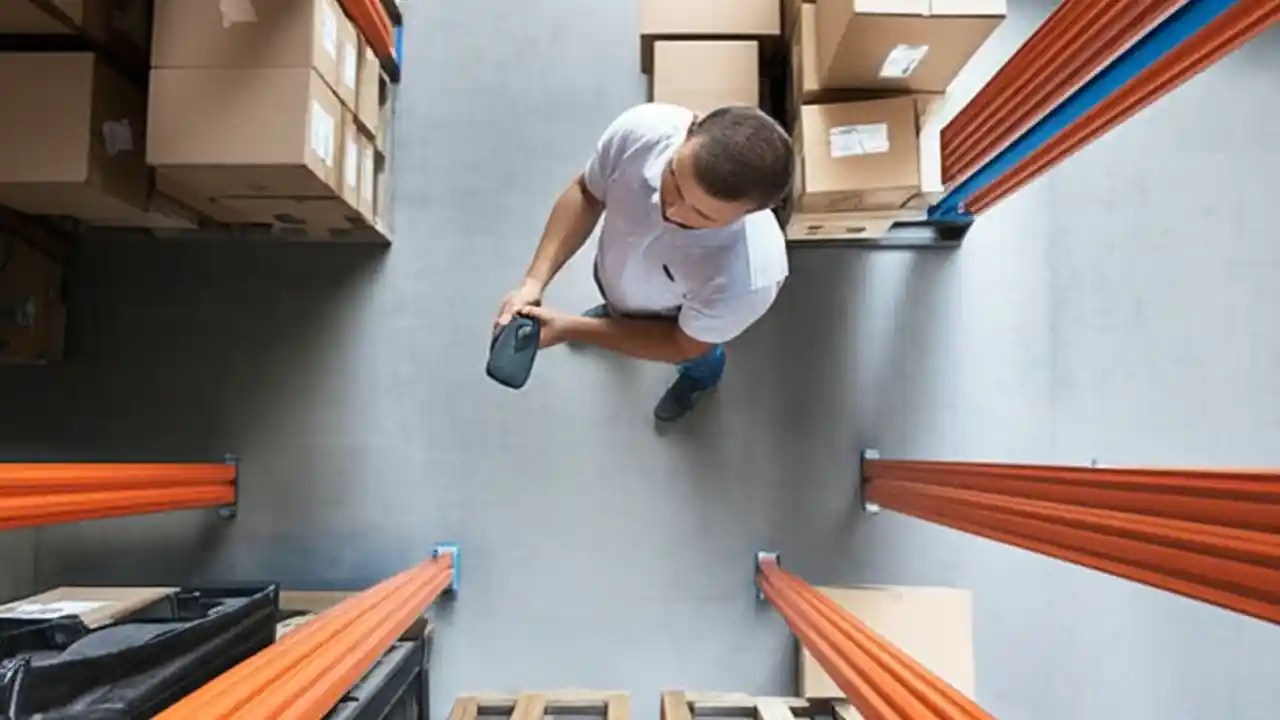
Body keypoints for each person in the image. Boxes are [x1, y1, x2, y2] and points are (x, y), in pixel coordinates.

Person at [494, 103, 792, 422]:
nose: (673, 211)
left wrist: (572, 329)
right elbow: (586, 191)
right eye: (674, 179)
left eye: (702, 214)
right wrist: (534, 282)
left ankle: (698, 381)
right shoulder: (643, 132)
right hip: (615, 277)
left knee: (700, 360)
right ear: (690, 132)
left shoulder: (747, 279)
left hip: (675, 326)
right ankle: (610, 318)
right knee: (612, 309)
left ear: (752, 212)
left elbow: (682, 344)